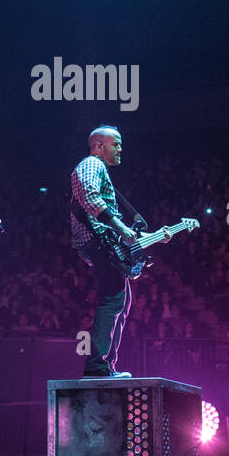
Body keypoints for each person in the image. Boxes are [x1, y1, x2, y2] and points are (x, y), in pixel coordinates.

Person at [68, 125, 161, 378]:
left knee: (121, 300)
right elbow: (90, 197)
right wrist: (120, 228)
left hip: (101, 241)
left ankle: (105, 366)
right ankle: (97, 368)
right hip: (98, 241)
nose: (121, 149)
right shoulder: (92, 165)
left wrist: (151, 237)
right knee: (112, 301)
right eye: (116, 144)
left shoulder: (98, 169)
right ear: (99, 145)